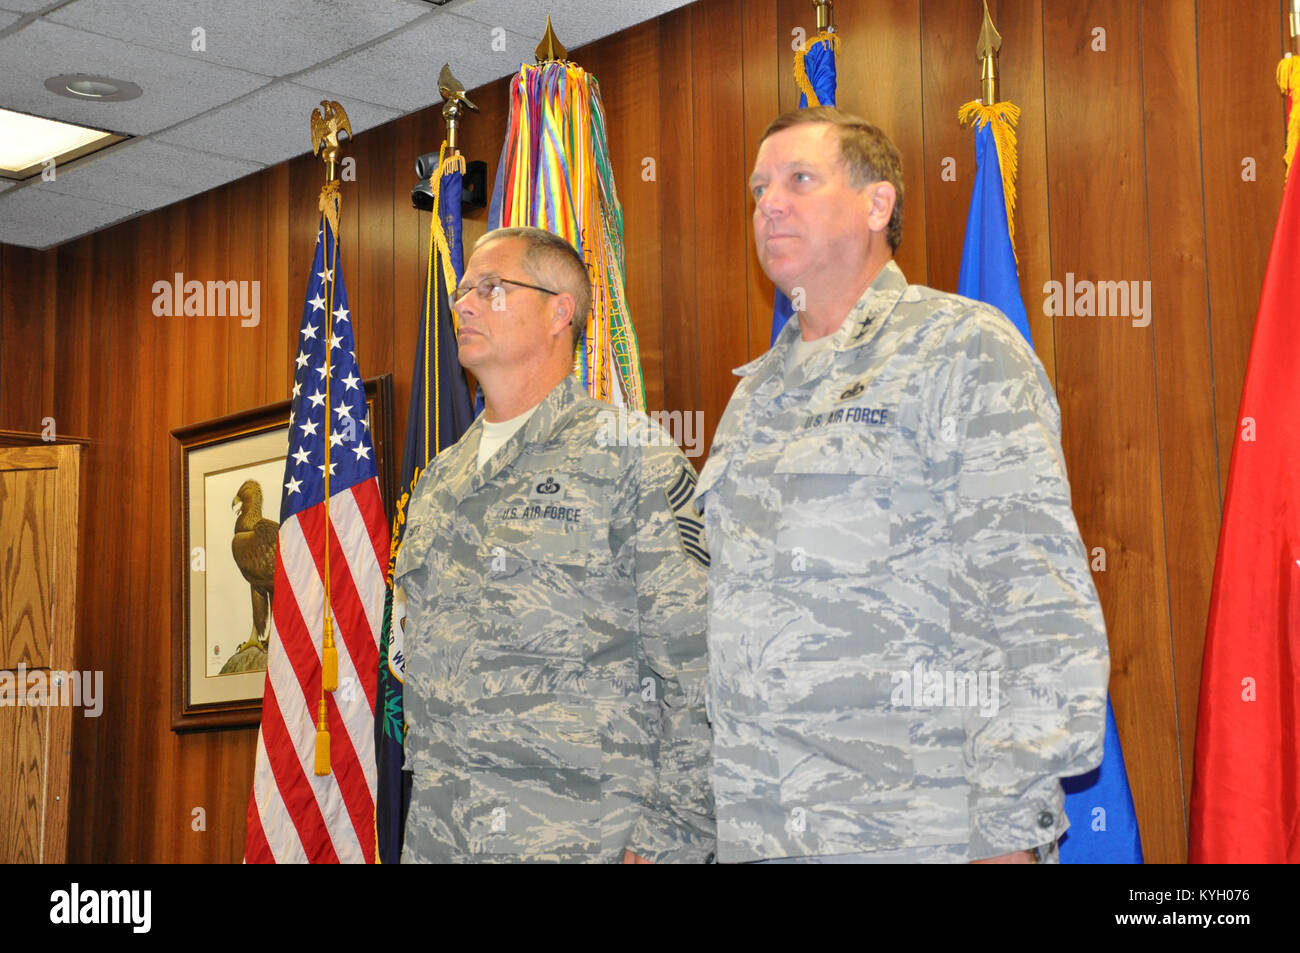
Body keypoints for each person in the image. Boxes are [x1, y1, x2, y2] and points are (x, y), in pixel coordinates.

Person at [695, 107, 1110, 864]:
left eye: (799, 179)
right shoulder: (754, 395)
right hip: (763, 829)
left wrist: (1007, 835)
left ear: (877, 203)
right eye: (759, 189)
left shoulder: (960, 347)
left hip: (921, 830)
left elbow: (1031, 598)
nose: (769, 204)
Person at [395, 225, 714, 863]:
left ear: (559, 311)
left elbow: (701, 667)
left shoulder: (631, 457)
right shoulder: (439, 481)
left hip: (586, 836)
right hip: (444, 836)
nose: (463, 305)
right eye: (462, 292)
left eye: (491, 288)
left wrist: (668, 841)